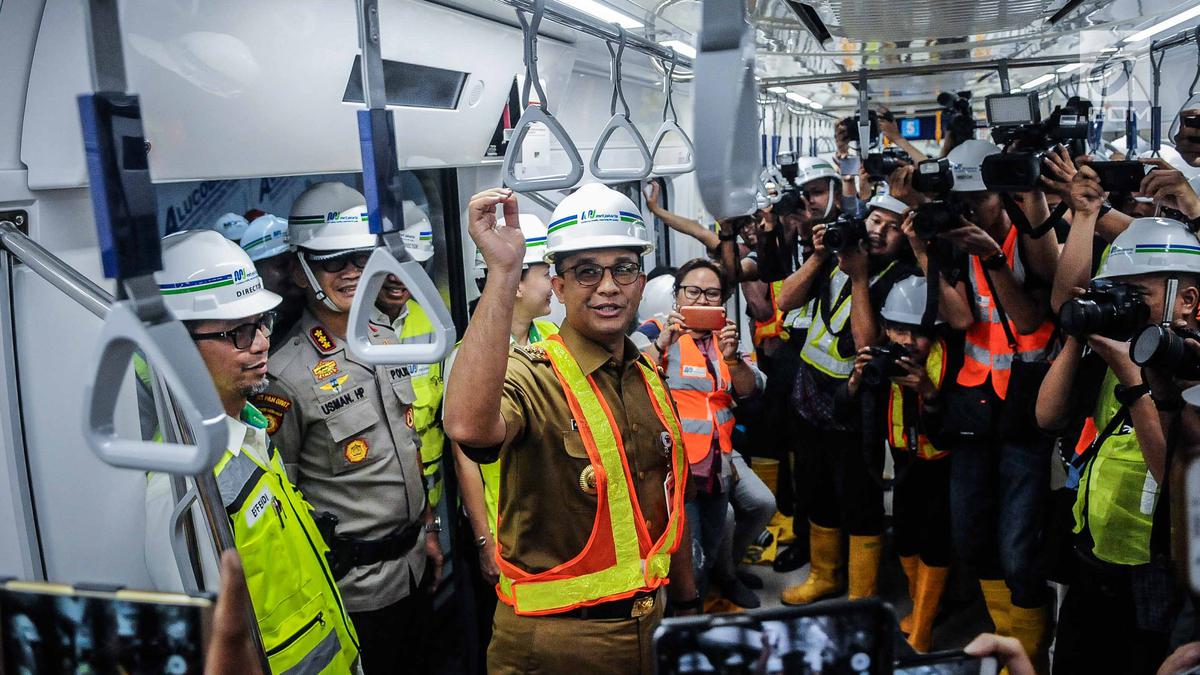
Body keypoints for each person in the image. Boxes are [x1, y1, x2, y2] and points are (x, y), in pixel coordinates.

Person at [444, 183, 698, 674]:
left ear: (641, 281)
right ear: (558, 288)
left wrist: (688, 603)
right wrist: (503, 272)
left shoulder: (647, 376)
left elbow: (669, 499)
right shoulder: (531, 374)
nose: (608, 286)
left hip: (653, 625)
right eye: (586, 271)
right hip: (552, 645)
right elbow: (467, 425)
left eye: (623, 269)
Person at [143, 229, 359, 673]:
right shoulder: (181, 484)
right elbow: (209, 646)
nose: (261, 342)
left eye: (262, 323)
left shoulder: (251, 432)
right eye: (238, 332)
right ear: (174, 348)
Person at [253, 181, 440, 674]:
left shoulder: (384, 335)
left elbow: (408, 444)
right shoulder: (285, 374)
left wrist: (428, 528)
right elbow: (283, 497)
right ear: (301, 271)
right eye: (334, 262)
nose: (354, 271)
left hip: (415, 565)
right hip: (355, 591)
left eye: (362, 257)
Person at [917, 139, 1059, 667]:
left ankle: (1028, 655)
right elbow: (959, 319)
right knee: (971, 533)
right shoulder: (956, 240)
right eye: (962, 199)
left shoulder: (1035, 238)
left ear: (1003, 194)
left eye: (978, 198)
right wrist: (926, 251)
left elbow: (1028, 319)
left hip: (1027, 404)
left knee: (1019, 546)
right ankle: (1006, 640)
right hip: (974, 401)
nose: (969, 208)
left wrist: (993, 256)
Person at [1036, 216, 1195, 675]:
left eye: (1138, 295)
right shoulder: (1113, 350)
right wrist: (1078, 336)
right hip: (1094, 548)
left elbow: (1173, 476)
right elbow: (1047, 417)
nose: (1124, 306)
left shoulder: (1190, 365)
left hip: (1154, 564)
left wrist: (1133, 375)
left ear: (1186, 300)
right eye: (1117, 292)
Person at [777, 193, 914, 606]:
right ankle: (825, 575)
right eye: (875, 220)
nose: (879, 232)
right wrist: (820, 256)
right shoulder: (835, 257)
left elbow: (866, 343)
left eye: (892, 228)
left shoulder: (901, 279)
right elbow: (785, 301)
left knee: (859, 496)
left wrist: (858, 278)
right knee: (815, 487)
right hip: (808, 392)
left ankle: (862, 595)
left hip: (857, 401)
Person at [447, 214, 557, 673]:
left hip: (550, 519)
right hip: (505, 526)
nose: (553, 284)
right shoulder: (470, 360)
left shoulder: (553, 342)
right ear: (514, 284)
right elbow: (466, 460)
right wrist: (484, 541)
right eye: (545, 273)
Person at [636, 258, 767, 608]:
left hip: (719, 459)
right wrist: (662, 345)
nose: (702, 300)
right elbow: (627, 372)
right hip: (675, 467)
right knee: (690, 560)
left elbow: (752, 390)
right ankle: (688, 614)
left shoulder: (727, 337)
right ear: (677, 295)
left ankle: (719, 583)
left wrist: (733, 359)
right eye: (693, 291)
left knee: (712, 544)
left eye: (712, 294)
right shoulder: (654, 330)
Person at [841, 274, 955, 653]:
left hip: (940, 465)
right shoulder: (883, 357)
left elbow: (953, 430)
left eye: (917, 333)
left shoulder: (947, 359)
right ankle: (920, 606)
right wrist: (857, 380)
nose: (906, 341)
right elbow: (845, 412)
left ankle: (923, 627)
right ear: (885, 327)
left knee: (936, 542)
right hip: (905, 461)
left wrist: (929, 394)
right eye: (897, 330)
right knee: (905, 539)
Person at [371, 201, 449, 510]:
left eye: (409, 266)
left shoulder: (434, 322)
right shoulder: (351, 329)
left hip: (432, 490)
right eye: (390, 266)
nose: (397, 278)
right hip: (383, 494)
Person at [239, 212, 304, 349]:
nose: (296, 272)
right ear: (255, 272)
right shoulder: (250, 335)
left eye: (298, 261)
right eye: (282, 265)